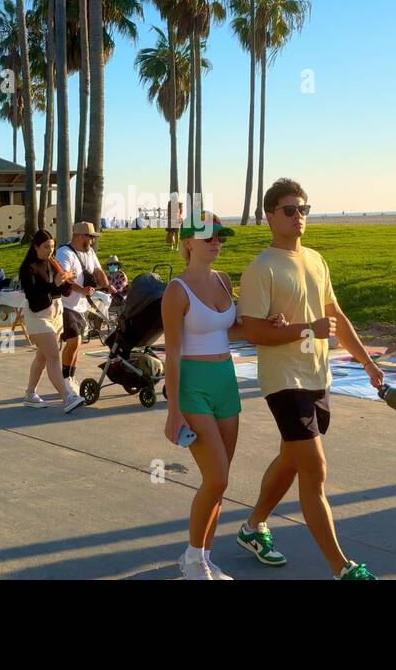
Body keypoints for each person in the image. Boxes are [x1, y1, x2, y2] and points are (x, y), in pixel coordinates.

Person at [235, 178, 385, 580]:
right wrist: (306, 329)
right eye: (289, 210)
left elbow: (335, 318)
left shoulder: (316, 260)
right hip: (284, 381)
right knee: (314, 469)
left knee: (291, 458)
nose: (299, 216)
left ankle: (252, 527)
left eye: (303, 209)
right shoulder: (261, 267)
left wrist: (367, 362)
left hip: (319, 376)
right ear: (270, 216)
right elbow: (252, 332)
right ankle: (343, 568)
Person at [161, 213, 277, 579]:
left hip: (227, 382)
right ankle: (193, 561)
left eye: (220, 237)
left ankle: (203, 559)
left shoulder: (225, 281)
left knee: (220, 480)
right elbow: (173, 352)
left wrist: (265, 325)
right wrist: (173, 410)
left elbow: (236, 330)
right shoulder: (177, 290)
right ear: (189, 243)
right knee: (217, 478)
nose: (216, 242)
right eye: (208, 236)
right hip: (193, 385)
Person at [18, 229, 84, 413]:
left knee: (41, 357)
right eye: (46, 247)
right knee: (53, 356)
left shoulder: (52, 263)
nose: (50, 250)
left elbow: (64, 292)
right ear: (36, 247)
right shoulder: (28, 268)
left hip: (55, 314)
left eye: (52, 246)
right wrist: (54, 283)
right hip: (38, 316)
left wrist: (66, 280)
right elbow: (34, 297)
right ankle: (67, 397)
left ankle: (30, 395)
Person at [55, 222, 115, 393]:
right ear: (80, 236)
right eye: (90, 237)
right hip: (66, 305)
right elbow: (65, 278)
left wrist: (108, 285)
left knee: (78, 345)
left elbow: (98, 271)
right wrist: (82, 290)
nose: (92, 240)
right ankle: (65, 380)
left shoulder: (90, 252)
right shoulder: (64, 253)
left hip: (81, 307)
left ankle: (70, 377)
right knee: (74, 341)